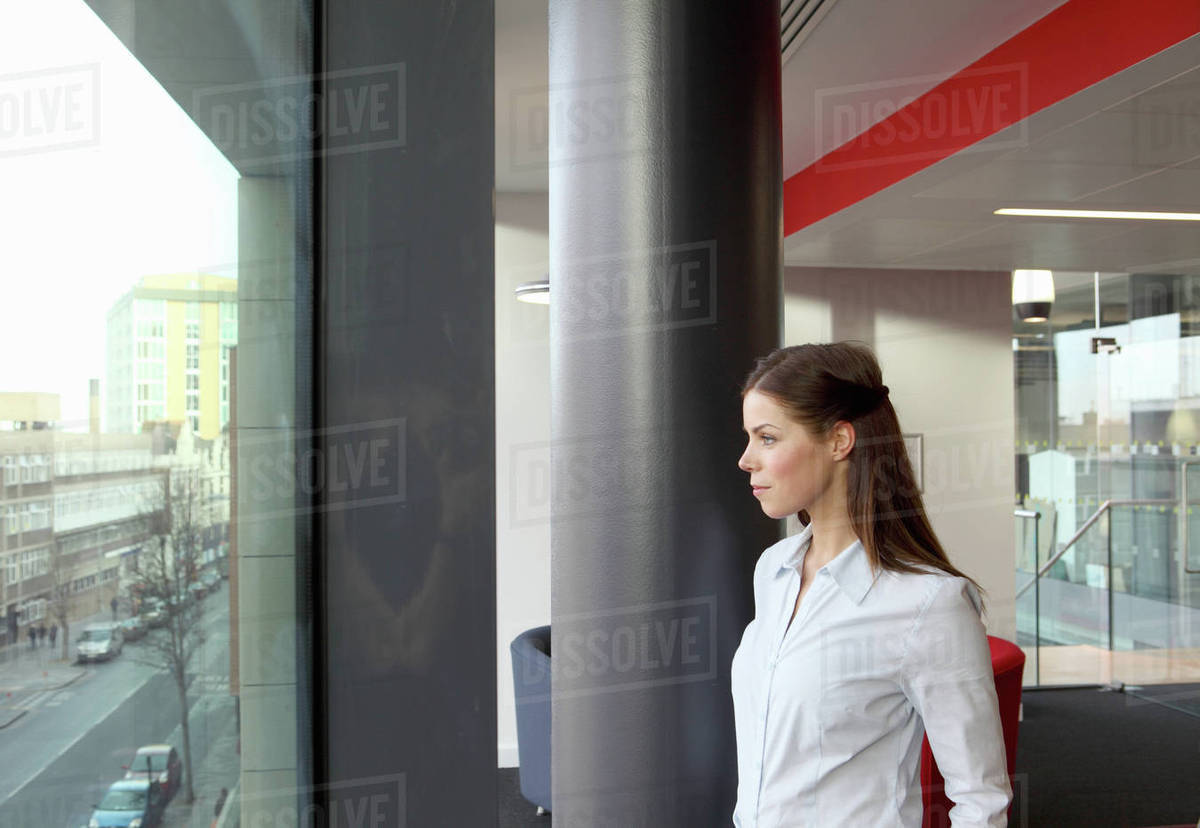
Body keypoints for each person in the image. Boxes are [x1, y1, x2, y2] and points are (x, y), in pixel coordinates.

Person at [731, 342, 1011, 827]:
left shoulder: (928, 604)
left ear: (840, 441)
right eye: (749, 437)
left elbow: (981, 801)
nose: (746, 459)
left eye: (768, 438)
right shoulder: (773, 570)